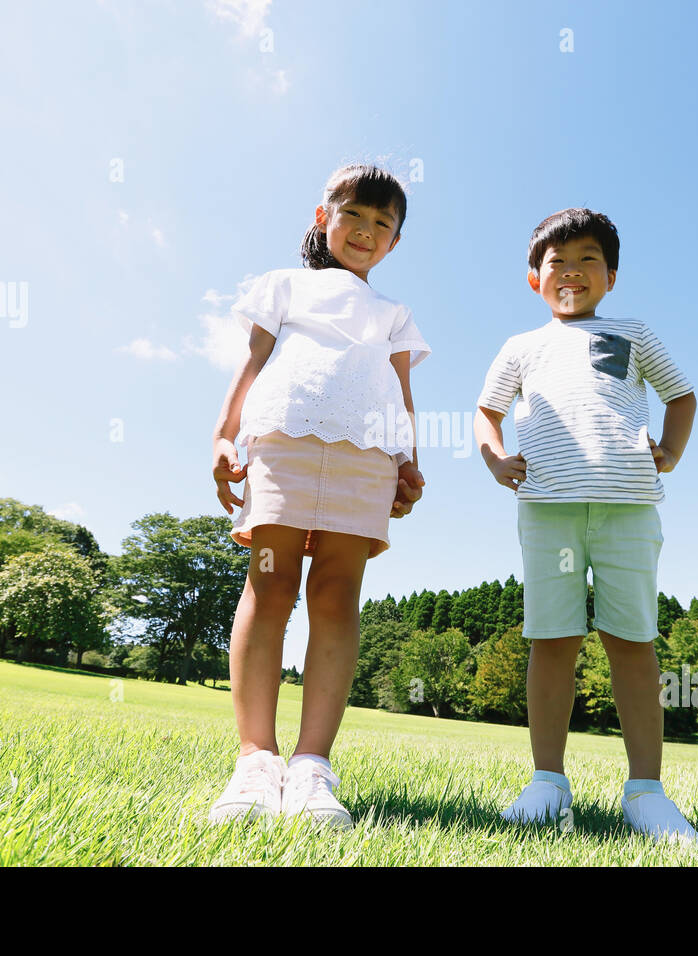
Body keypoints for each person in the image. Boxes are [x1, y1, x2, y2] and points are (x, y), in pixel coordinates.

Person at [473, 208, 698, 848]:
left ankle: (646, 793)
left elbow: (681, 396)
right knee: (552, 638)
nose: (571, 270)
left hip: (628, 506)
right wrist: (494, 456)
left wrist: (672, 450)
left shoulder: (632, 333)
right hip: (548, 508)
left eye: (587, 259)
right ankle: (547, 783)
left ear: (610, 276)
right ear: (534, 279)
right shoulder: (521, 347)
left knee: (631, 640)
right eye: (557, 261)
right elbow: (486, 412)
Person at [209, 164, 429, 829]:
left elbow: (401, 392)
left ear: (394, 241)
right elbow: (252, 360)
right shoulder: (284, 286)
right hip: (283, 437)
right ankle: (255, 762)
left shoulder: (394, 313)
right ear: (322, 217)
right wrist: (224, 435)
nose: (365, 231)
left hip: (366, 455)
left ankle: (311, 766)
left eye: (382, 223)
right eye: (353, 215)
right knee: (270, 586)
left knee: (335, 595)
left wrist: (407, 458)